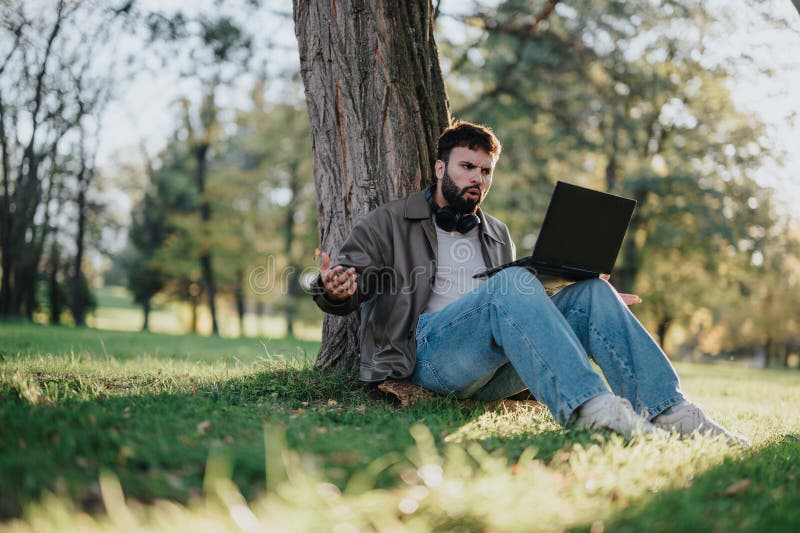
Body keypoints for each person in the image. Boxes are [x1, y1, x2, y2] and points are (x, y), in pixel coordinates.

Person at [313, 120, 748, 445]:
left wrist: (575, 294)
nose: (477, 179)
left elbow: (519, 309)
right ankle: (594, 410)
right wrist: (334, 289)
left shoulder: (497, 232)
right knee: (511, 284)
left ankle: (671, 413)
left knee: (592, 292)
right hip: (426, 357)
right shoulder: (389, 221)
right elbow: (348, 278)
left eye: (485, 171)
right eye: (467, 167)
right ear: (441, 167)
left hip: (497, 363)